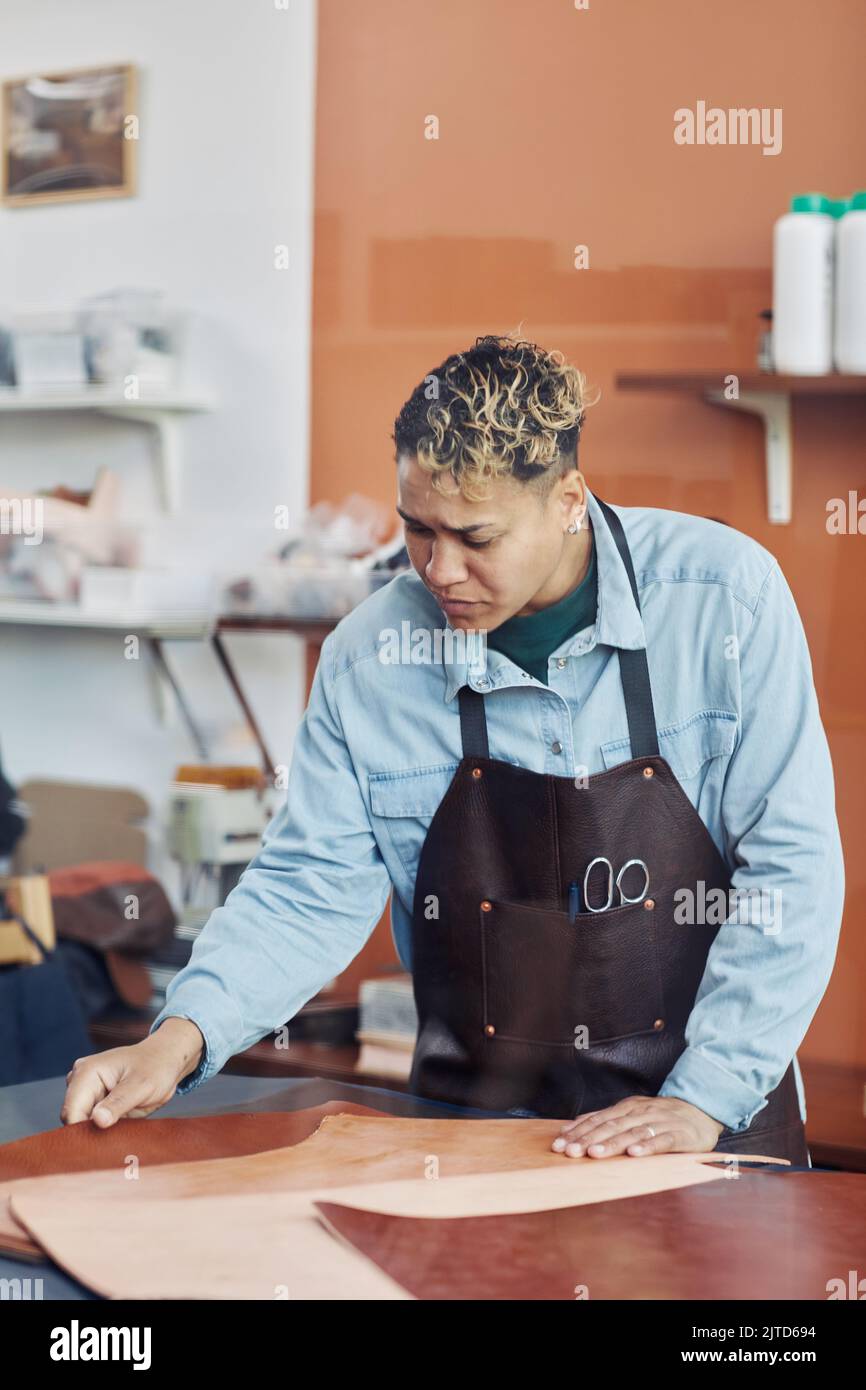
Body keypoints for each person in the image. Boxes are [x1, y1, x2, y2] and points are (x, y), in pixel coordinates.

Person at [62, 334, 844, 1164]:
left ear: (569, 500)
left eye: (476, 537)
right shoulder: (368, 659)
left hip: (710, 1132)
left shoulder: (725, 600)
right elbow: (306, 890)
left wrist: (702, 1099)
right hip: (476, 1148)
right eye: (417, 530)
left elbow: (788, 876)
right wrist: (176, 1042)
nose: (438, 570)